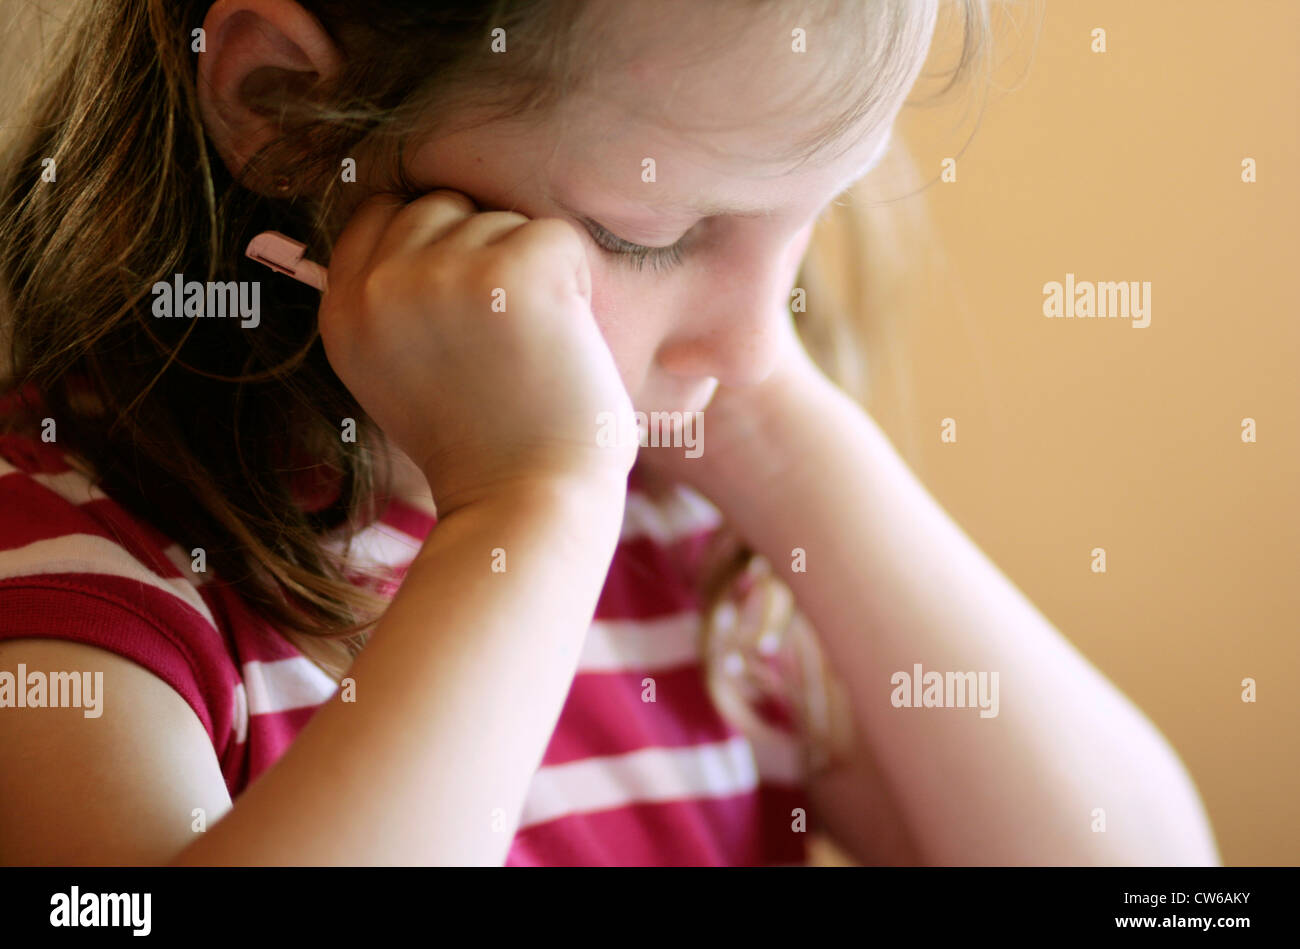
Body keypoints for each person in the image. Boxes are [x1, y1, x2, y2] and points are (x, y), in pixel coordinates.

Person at [0, 0, 1219, 865]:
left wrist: (777, 435)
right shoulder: (75, 568)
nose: (751, 338)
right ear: (289, 109)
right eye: (650, 231)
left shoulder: (698, 545)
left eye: (807, 218)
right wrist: (527, 512)